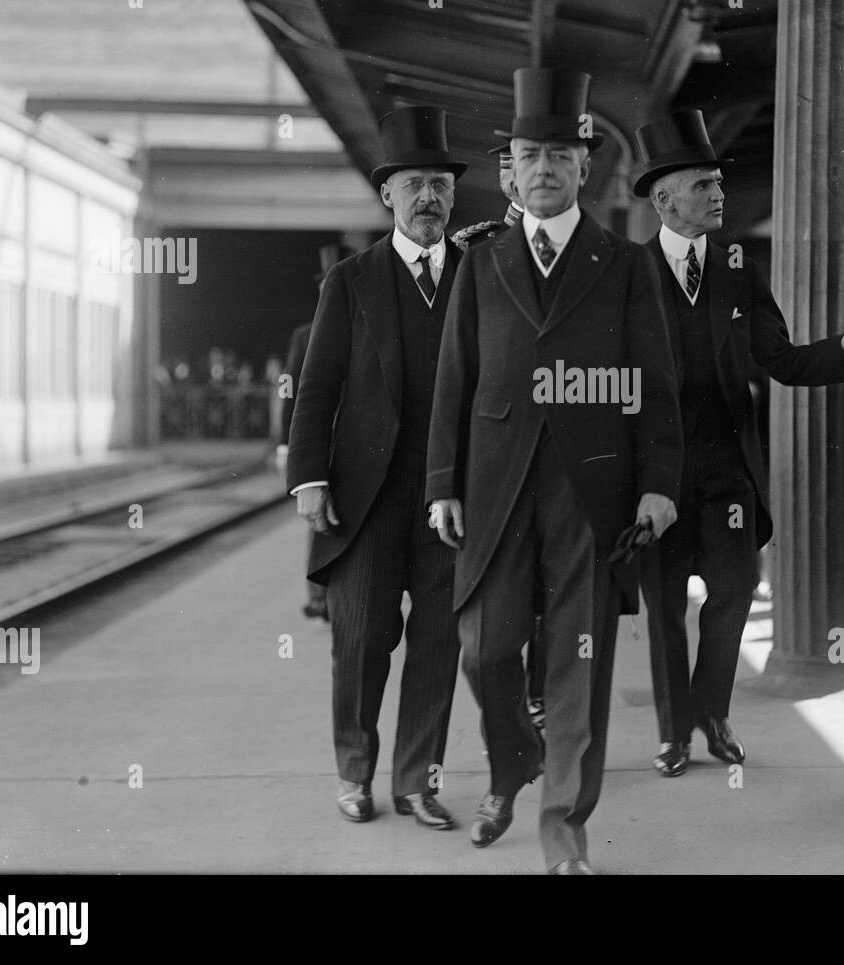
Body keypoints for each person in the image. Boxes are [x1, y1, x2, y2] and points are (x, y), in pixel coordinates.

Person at [426, 67, 682, 874]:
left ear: (584, 168)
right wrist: (442, 483)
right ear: (509, 170)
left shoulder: (626, 262)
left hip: (592, 488)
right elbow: (453, 380)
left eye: (559, 156)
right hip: (496, 484)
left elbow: (657, 383)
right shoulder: (480, 260)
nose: (543, 168)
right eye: (528, 155)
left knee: (578, 664)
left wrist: (658, 482)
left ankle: (563, 836)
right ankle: (515, 761)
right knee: (485, 648)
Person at [630, 109, 844, 777]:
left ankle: (711, 714)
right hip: (654, 478)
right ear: (664, 199)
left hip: (727, 474)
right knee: (663, 610)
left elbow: (781, 359)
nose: (719, 195)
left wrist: (843, 351)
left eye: (719, 183)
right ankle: (673, 733)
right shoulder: (625, 277)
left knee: (737, 585)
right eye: (703, 186)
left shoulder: (742, 274)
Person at [286, 106, 467, 831]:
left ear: (454, 197)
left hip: (453, 498)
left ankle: (418, 783)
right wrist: (309, 477)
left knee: (438, 641)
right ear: (388, 194)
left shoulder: (480, 277)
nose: (429, 196)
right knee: (360, 640)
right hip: (364, 500)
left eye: (440, 184)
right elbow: (317, 386)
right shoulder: (352, 283)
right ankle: (355, 773)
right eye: (414, 183)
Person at [450, 144, 546, 735]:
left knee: (547, 595)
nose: (520, 175)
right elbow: (457, 369)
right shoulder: (476, 251)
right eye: (508, 166)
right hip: (493, 452)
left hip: (558, 448)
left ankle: (537, 702)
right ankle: (511, 718)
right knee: (491, 616)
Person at [277, 242, 353, 623]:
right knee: (318, 513)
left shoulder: (362, 326)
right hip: (319, 440)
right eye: (327, 285)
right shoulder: (305, 335)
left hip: (354, 441)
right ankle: (318, 595)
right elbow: (289, 390)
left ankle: (338, 592)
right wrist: (284, 443)